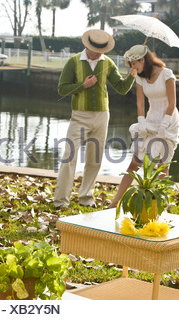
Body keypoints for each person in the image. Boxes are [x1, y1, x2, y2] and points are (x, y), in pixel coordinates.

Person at [53, 29, 137, 209]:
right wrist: (83, 85)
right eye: (96, 49)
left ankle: (86, 197)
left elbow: (121, 88)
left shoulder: (107, 63)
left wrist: (131, 75)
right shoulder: (74, 62)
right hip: (79, 116)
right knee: (69, 156)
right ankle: (61, 201)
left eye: (102, 50)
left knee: (95, 159)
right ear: (88, 46)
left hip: (102, 116)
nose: (99, 53)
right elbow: (62, 89)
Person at [109, 45, 179, 209]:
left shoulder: (166, 74)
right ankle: (114, 202)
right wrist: (141, 122)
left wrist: (164, 125)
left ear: (143, 59)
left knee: (163, 164)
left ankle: (160, 205)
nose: (133, 68)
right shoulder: (140, 77)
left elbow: (172, 103)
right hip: (151, 118)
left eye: (134, 64)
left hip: (169, 119)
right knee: (135, 161)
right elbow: (140, 103)